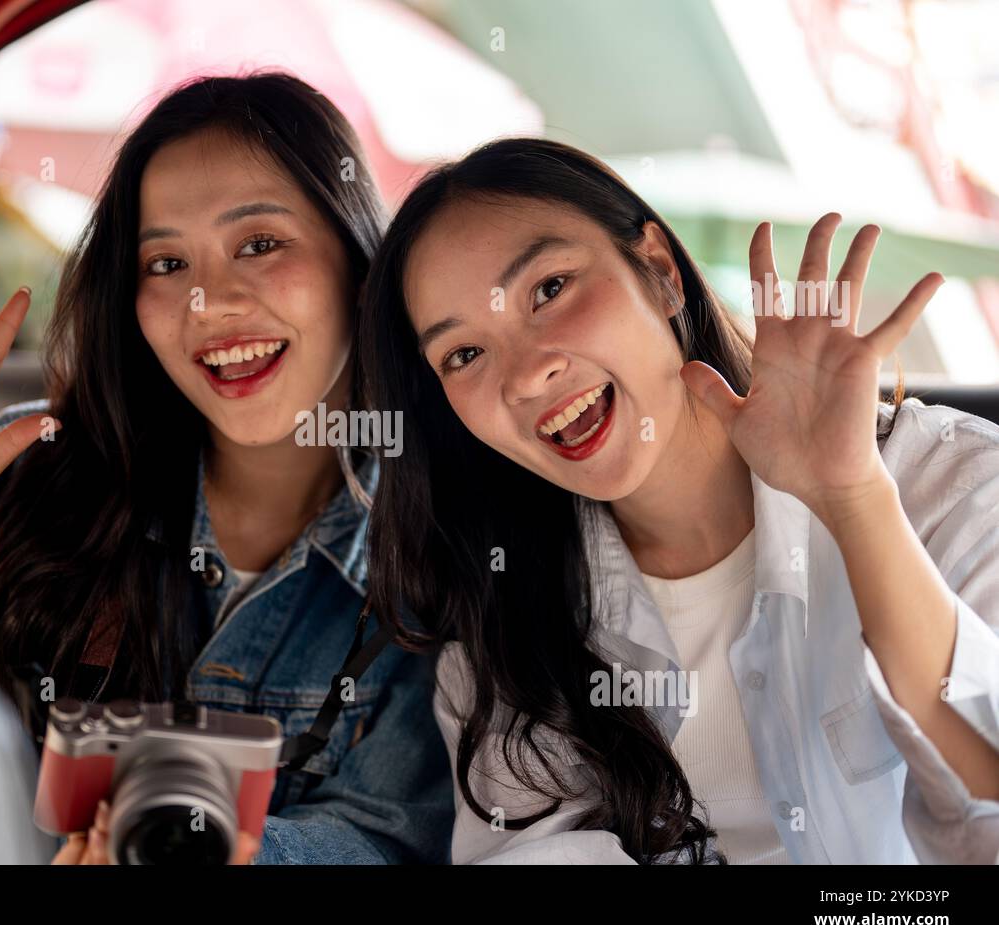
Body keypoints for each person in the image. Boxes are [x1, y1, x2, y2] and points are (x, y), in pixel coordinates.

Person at [0, 73, 453, 865]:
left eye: (259, 244)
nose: (208, 303)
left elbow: (390, 839)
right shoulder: (8, 477)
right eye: (165, 264)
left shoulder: (437, 551)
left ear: (361, 271)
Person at [358, 136, 999, 864]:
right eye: (464, 355)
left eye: (549, 289)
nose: (528, 376)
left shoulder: (953, 489)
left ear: (659, 271)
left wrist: (853, 501)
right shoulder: (503, 641)